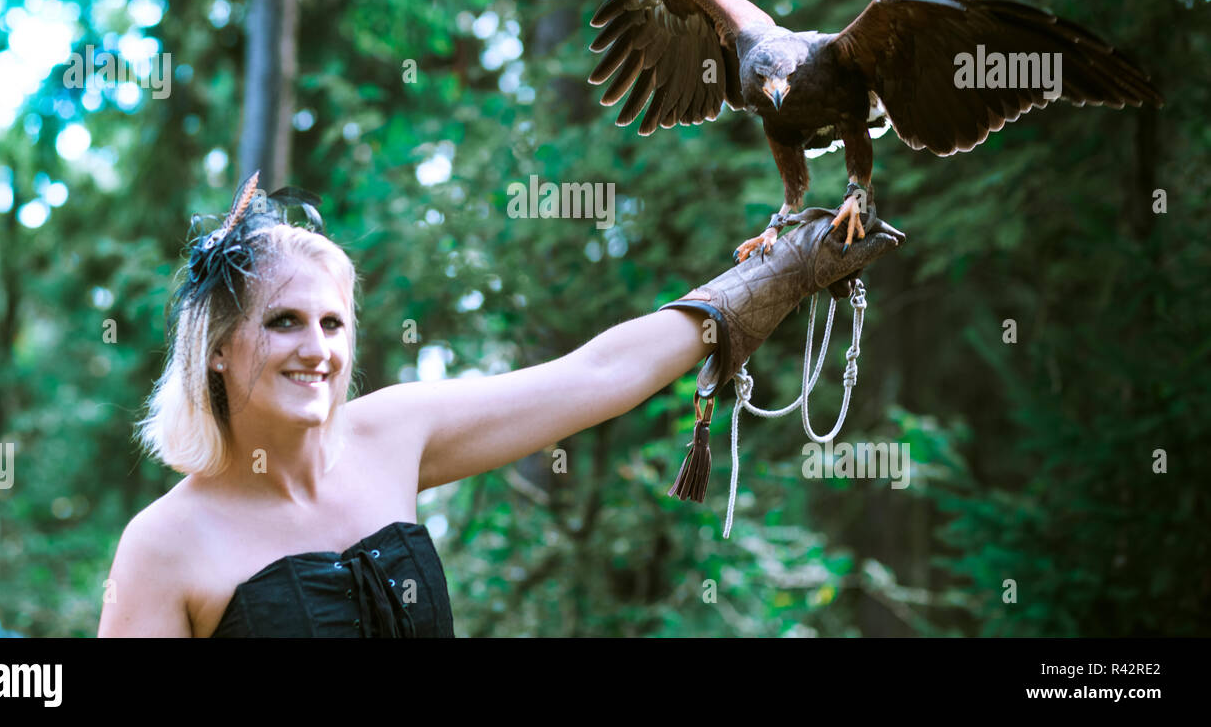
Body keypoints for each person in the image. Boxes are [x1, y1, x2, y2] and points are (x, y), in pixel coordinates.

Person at [98, 174, 902, 637]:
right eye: (283, 322)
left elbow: (594, 374)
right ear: (217, 346)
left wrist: (767, 281)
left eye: (333, 323)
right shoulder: (165, 544)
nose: (318, 349)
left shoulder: (392, 435)